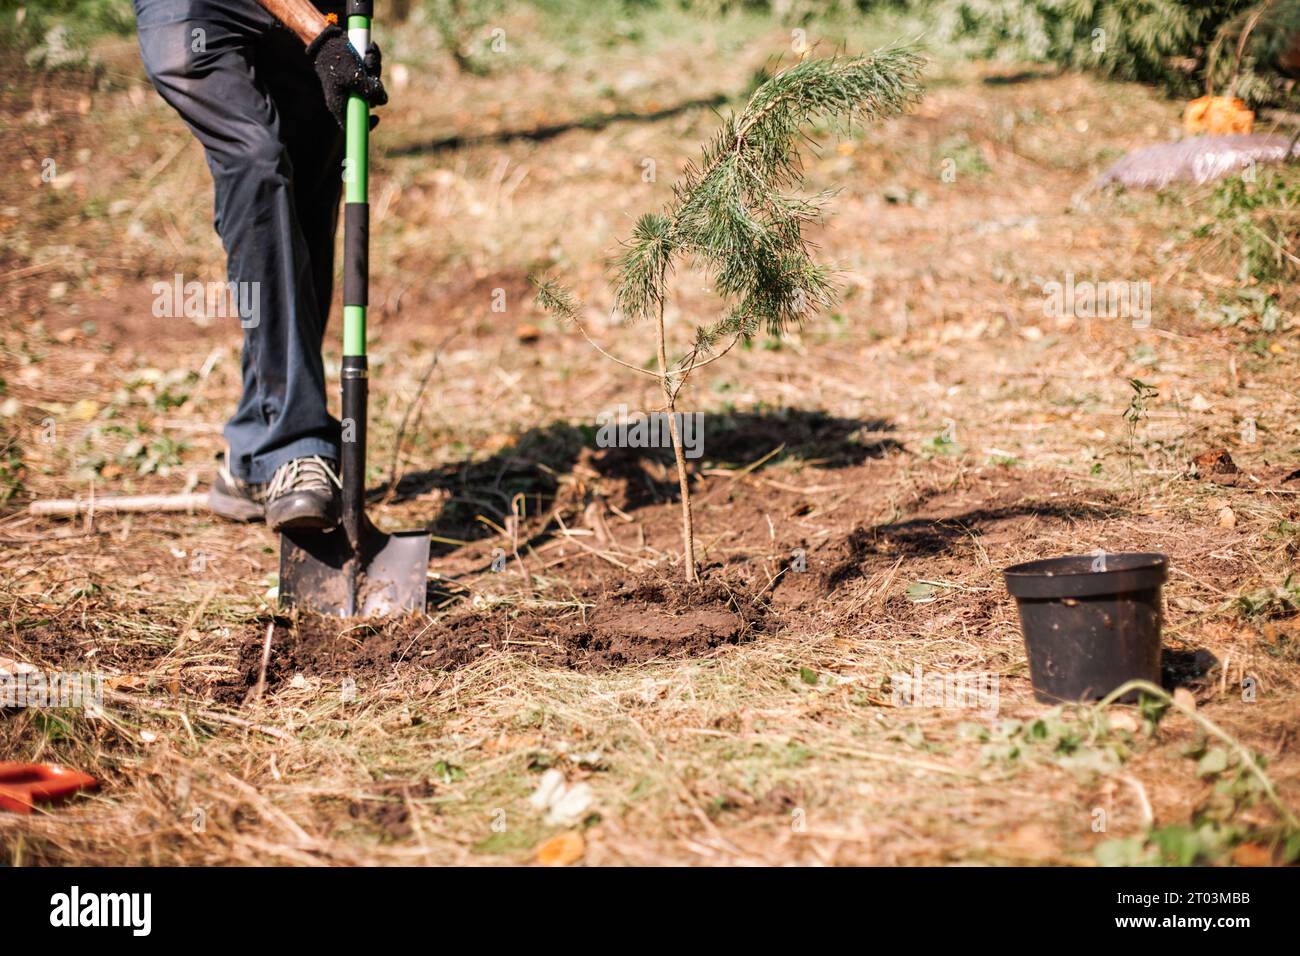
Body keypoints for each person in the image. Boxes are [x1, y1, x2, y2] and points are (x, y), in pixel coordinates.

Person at [132, 0, 388, 530]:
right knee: (257, 161)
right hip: (197, 10)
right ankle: (294, 447)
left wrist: (346, 33)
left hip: (312, 14)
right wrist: (320, 37)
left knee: (307, 200)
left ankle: (252, 454)